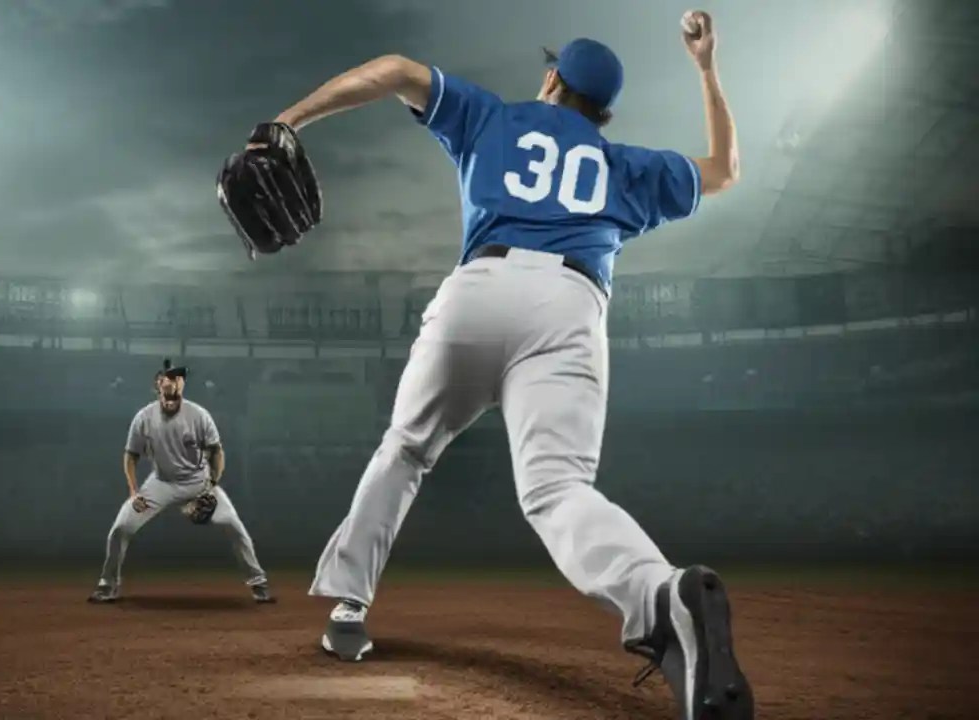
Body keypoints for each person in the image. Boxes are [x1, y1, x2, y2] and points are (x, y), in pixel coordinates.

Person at [258, 9, 751, 719]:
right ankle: (658, 593)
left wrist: (288, 122)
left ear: (551, 80)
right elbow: (725, 170)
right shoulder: (628, 167)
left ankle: (348, 609)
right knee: (558, 491)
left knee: (405, 449)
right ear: (602, 112)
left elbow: (393, 70)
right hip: (570, 306)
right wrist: (706, 68)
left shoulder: (490, 117)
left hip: (480, 291)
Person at [87, 359, 275, 604]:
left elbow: (217, 452)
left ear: (182, 385)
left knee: (232, 524)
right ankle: (108, 584)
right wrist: (134, 492)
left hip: (199, 481)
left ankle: (258, 582)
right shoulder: (144, 417)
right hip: (160, 483)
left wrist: (211, 484)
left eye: (178, 379)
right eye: (168, 379)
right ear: (158, 385)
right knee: (121, 527)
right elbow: (130, 455)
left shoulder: (198, 415)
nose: (173, 384)